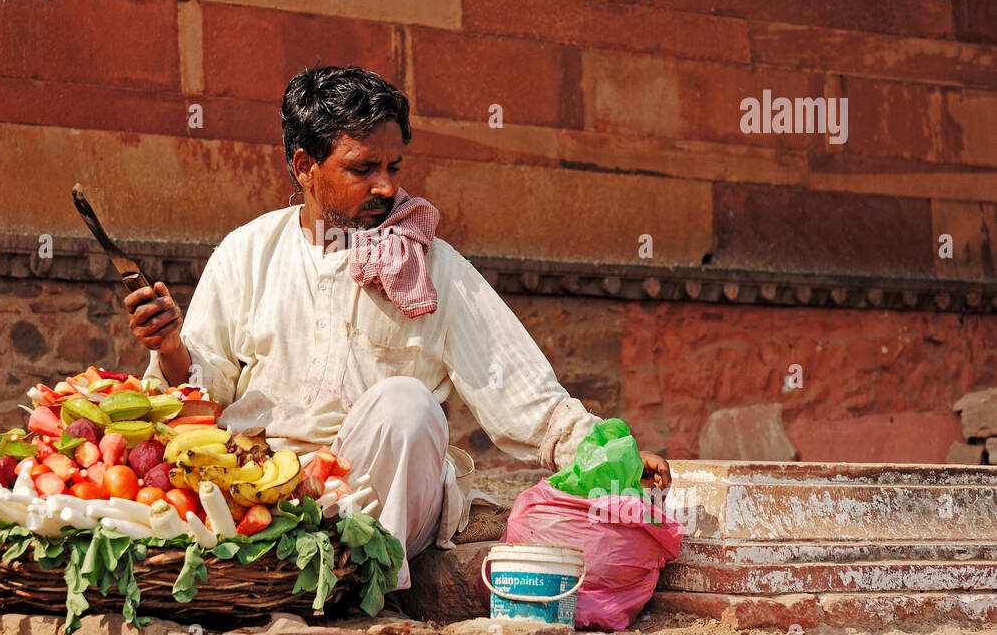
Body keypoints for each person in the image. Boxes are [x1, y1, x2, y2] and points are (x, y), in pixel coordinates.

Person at [124, 65, 671, 589]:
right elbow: (200, 396)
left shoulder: (432, 265)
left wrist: (608, 456)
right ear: (304, 167)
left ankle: (364, 589)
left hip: (383, 502)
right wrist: (169, 347)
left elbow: (521, 388)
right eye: (363, 169)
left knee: (407, 405)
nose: (385, 187)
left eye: (394, 167)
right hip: (264, 498)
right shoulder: (246, 253)